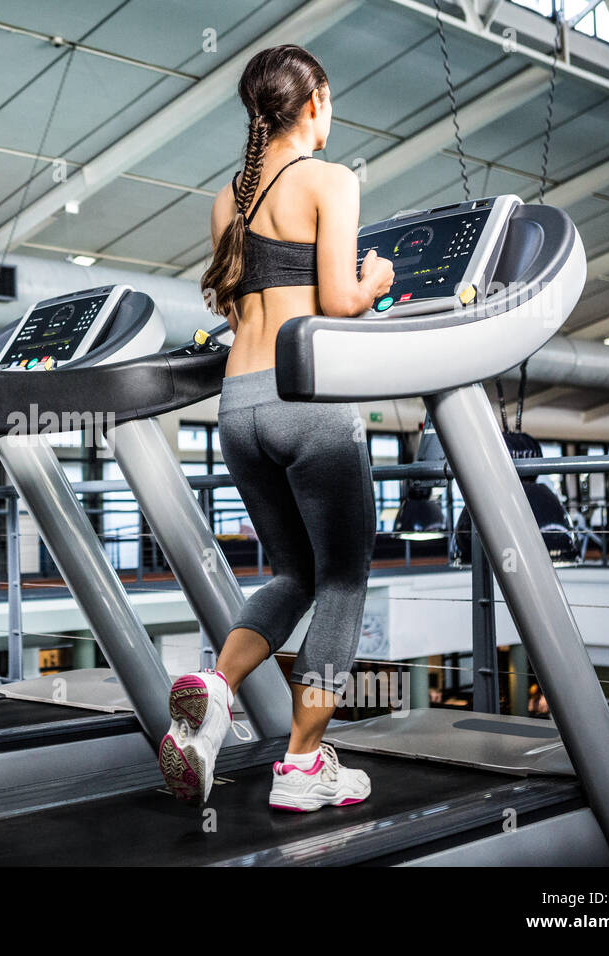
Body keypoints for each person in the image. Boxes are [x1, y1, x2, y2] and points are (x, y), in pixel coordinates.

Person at [158, 45, 394, 812]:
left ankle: (215, 689)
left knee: (292, 574)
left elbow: (233, 309)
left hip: (238, 409)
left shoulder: (230, 197)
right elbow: (339, 300)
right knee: (345, 580)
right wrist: (377, 280)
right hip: (307, 403)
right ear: (315, 101)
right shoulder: (330, 179)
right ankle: (301, 764)